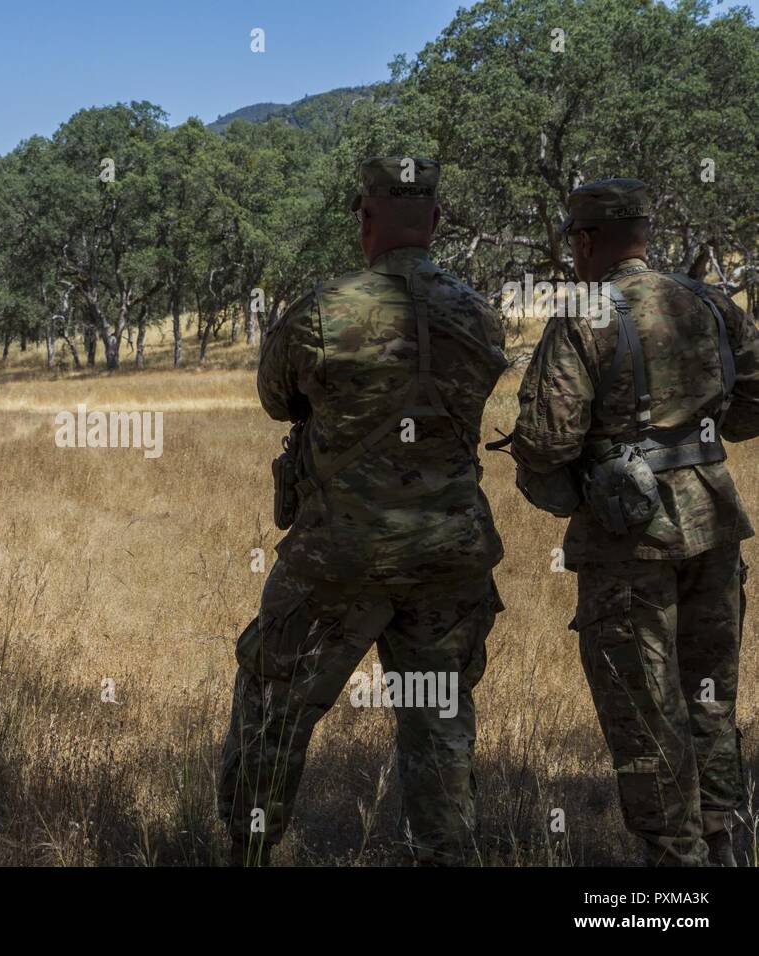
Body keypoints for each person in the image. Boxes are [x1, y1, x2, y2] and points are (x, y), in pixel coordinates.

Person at [218, 156, 508, 866]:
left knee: (276, 704)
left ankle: (249, 850)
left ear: (365, 219)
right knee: (438, 721)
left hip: (338, 556)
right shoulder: (479, 314)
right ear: (434, 220)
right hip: (447, 554)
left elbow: (276, 400)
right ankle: (447, 853)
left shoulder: (321, 310)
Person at [512, 178, 759, 866]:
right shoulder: (708, 303)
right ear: (644, 233)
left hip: (628, 544)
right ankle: (722, 842)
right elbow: (753, 405)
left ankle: (677, 872)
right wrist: (696, 435)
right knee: (709, 700)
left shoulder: (584, 315)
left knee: (645, 714)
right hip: (713, 525)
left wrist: (586, 482)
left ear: (587, 239)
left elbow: (547, 441)